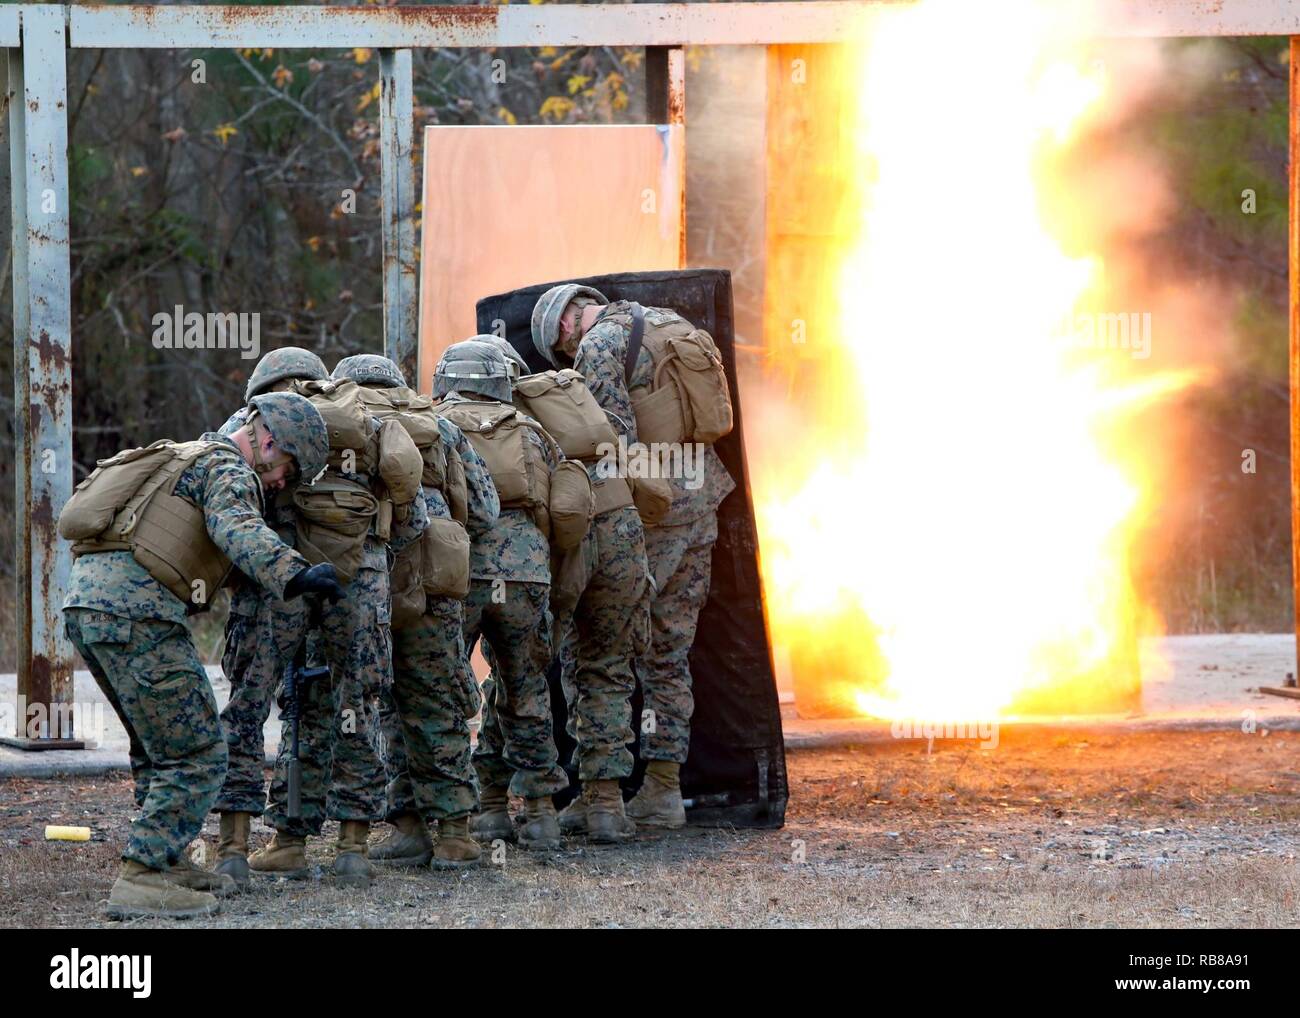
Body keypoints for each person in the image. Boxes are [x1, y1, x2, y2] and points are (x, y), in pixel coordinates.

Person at [60, 392, 340, 919]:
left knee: (157, 747)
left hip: (89, 607)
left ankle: (165, 860)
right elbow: (237, 529)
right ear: (269, 441)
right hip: (138, 616)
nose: (282, 483)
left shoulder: (183, 456)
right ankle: (143, 875)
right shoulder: (229, 469)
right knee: (199, 752)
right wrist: (295, 573)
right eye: (288, 469)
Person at [331, 353, 499, 869]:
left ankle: (399, 826)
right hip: (430, 583)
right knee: (435, 702)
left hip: (358, 580)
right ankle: (453, 834)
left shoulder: (335, 420)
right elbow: (486, 508)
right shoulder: (440, 426)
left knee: (371, 703)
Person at [433, 339, 569, 852]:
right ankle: (540, 813)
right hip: (525, 573)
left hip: (458, 572)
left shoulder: (434, 423)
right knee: (526, 689)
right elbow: (563, 504)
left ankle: (464, 816)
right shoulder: (532, 429)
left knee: (447, 690)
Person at [531, 287, 654, 843]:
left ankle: (520, 805)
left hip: (575, 535)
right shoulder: (645, 330)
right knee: (609, 667)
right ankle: (605, 805)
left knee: (544, 666)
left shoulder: (522, 416)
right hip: (625, 523)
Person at [210, 347, 330, 888]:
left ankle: (233, 847)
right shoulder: (336, 425)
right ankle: (293, 841)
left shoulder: (235, 433)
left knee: (245, 712)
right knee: (312, 715)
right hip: (327, 590)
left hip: (262, 598)